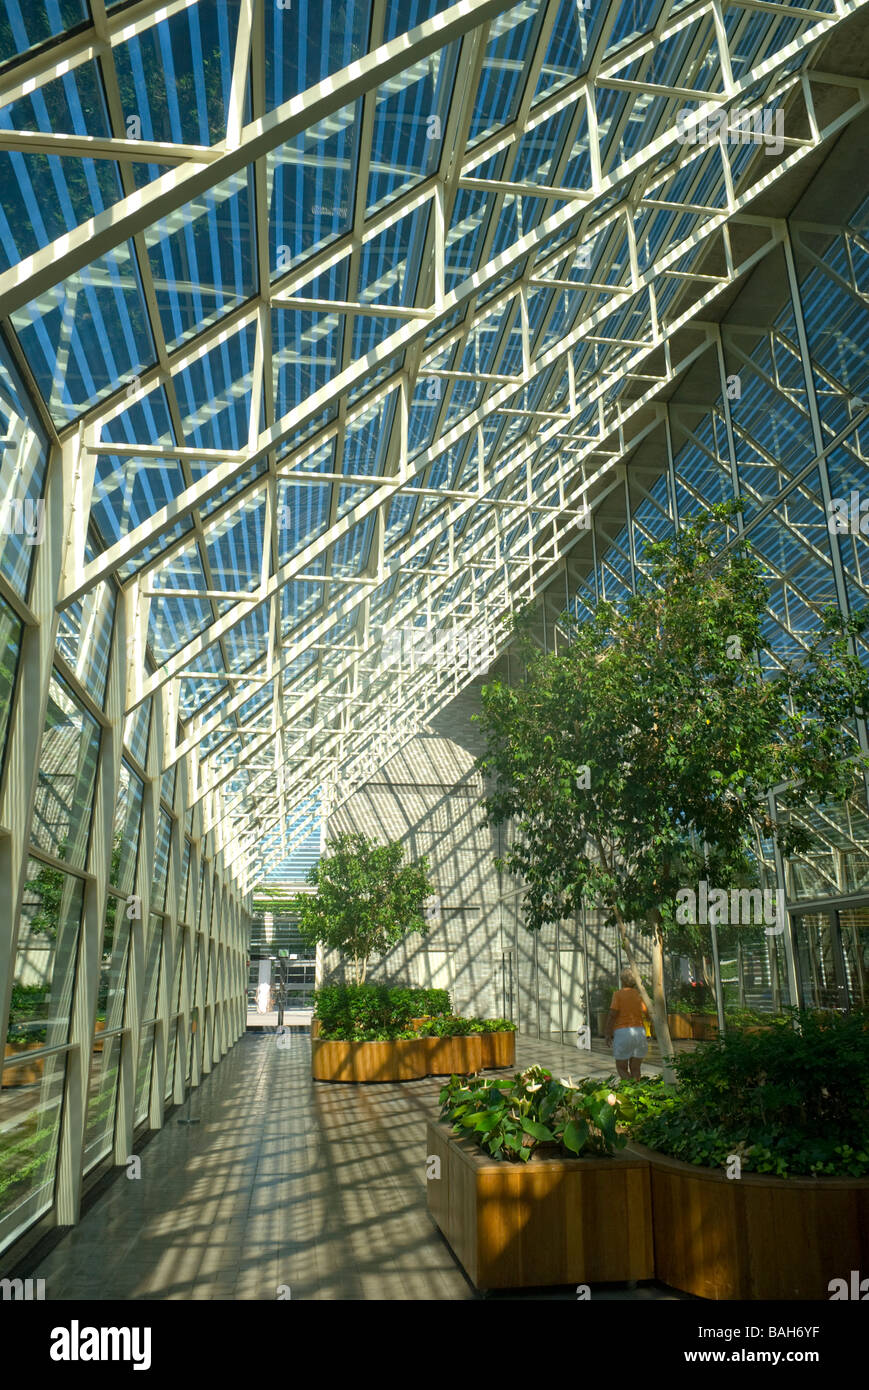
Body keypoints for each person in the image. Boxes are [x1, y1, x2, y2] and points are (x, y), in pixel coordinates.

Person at [605, 968, 649, 1081]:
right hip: (639, 1032)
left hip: (622, 1033)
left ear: (622, 981)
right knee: (635, 1068)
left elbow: (612, 1015)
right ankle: (636, 1092)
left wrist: (608, 1033)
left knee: (621, 1067)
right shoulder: (639, 995)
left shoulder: (618, 995)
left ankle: (629, 1090)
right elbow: (647, 1013)